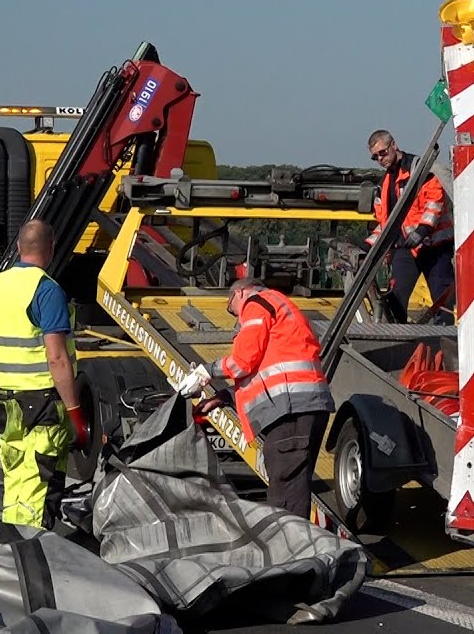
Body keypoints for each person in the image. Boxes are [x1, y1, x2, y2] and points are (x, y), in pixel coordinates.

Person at [175, 277, 335, 519]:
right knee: (293, 483)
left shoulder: (256, 303)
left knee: (285, 489)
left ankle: (287, 550)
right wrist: (224, 397)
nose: (236, 317)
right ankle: (294, 545)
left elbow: (243, 361)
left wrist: (205, 372)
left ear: (240, 293)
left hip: (289, 410)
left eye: (231, 308)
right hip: (305, 405)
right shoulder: (281, 306)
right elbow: (266, 367)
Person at [0, 219, 88, 530]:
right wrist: (74, 412)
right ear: (51, 249)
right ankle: (30, 552)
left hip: (8, 397)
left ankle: (11, 547)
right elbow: (56, 357)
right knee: (40, 480)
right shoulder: (46, 289)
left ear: (18, 248)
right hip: (41, 401)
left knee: (16, 475)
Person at [363, 129, 456, 325]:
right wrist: (366, 247)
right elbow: (385, 225)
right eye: (375, 157)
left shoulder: (419, 169)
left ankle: (445, 342)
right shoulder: (385, 184)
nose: (380, 159)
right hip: (407, 248)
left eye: (382, 153)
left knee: (443, 299)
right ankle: (399, 342)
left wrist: (423, 230)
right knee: (396, 299)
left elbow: (434, 202)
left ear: (393, 145)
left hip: (434, 247)